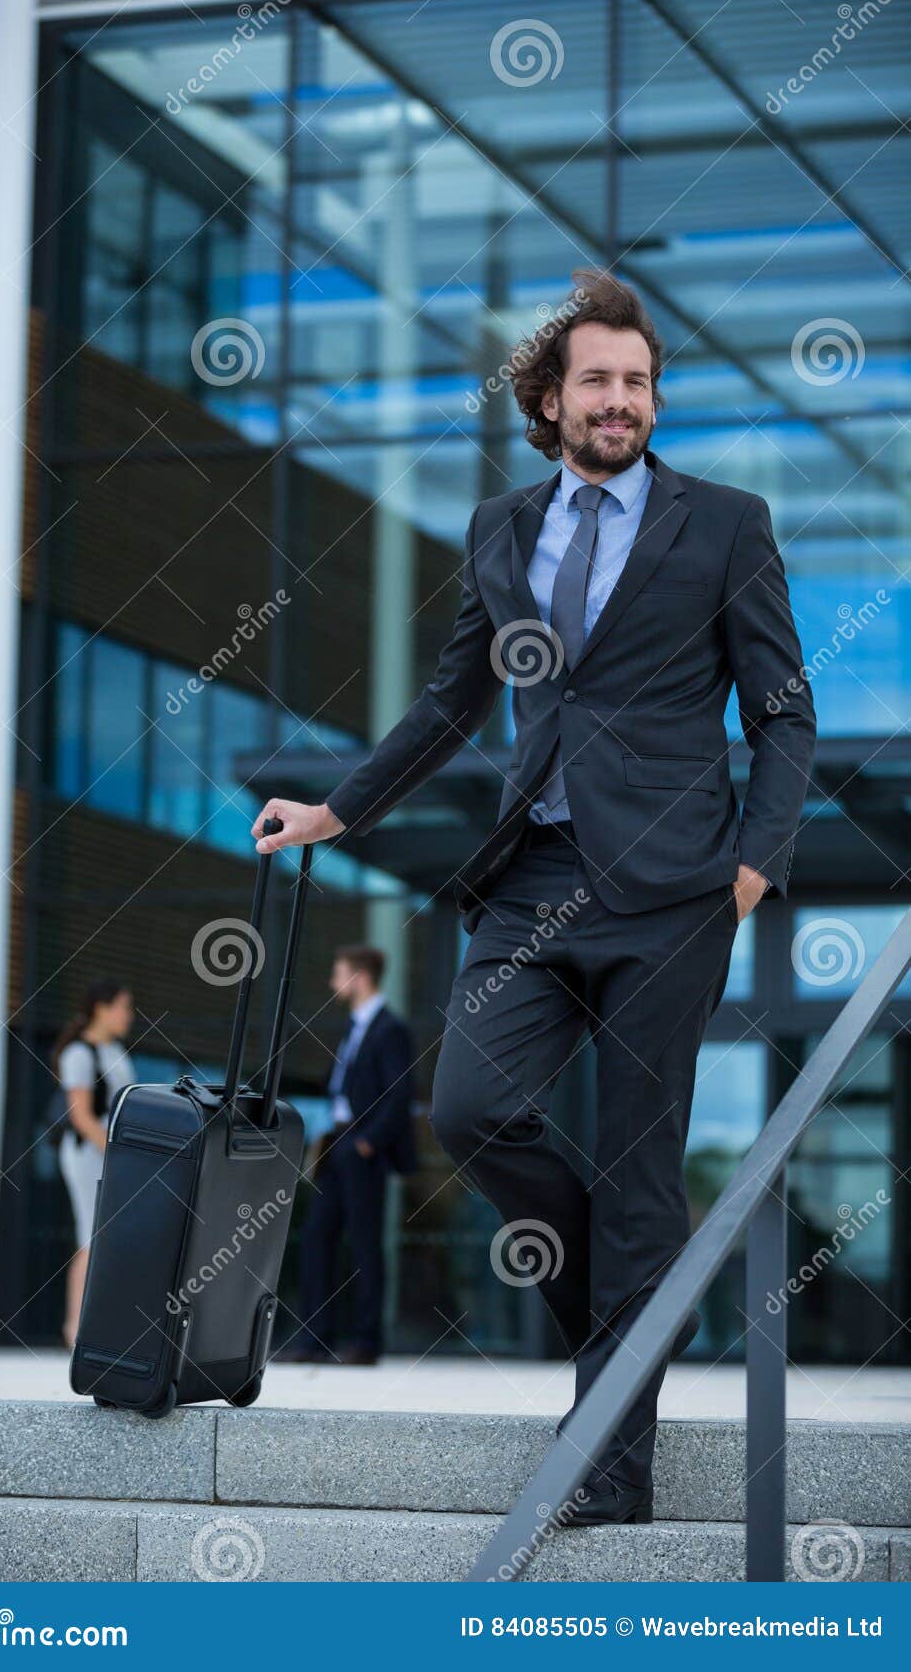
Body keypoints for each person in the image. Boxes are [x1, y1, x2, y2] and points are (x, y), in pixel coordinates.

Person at [251, 268, 815, 1527]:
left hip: (673, 891)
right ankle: (630, 1314)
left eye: (638, 382)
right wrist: (337, 808)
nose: (619, 400)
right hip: (533, 878)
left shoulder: (725, 522)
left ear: (651, 399)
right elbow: (455, 698)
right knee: (470, 1106)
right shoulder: (501, 527)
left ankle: (608, 1467)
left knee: (638, 1170)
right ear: (550, 400)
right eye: (596, 382)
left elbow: (781, 710)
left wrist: (752, 864)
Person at [281, 945, 416, 1366]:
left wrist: (368, 1141)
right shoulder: (353, 1028)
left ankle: (365, 1340)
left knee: (363, 1243)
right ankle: (313, 1338)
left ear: (360, 977)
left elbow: (400, 1094)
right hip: (338, 1144)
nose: (332, 983)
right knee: (317, 1237)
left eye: (338, 974)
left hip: (361, 1149)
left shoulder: (390, 1029)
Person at [52, 980, 136, 1349]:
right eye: (123, 1007)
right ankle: (75, 1328)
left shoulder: (116, 1051)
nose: (128, 1016)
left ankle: (102, 1325)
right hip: (89, 1154)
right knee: (92, 1234)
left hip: (112, 1153)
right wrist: (118, 1153)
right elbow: (81, 1117)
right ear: (102, 1008)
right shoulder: (79, 1053)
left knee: (111, 1236)